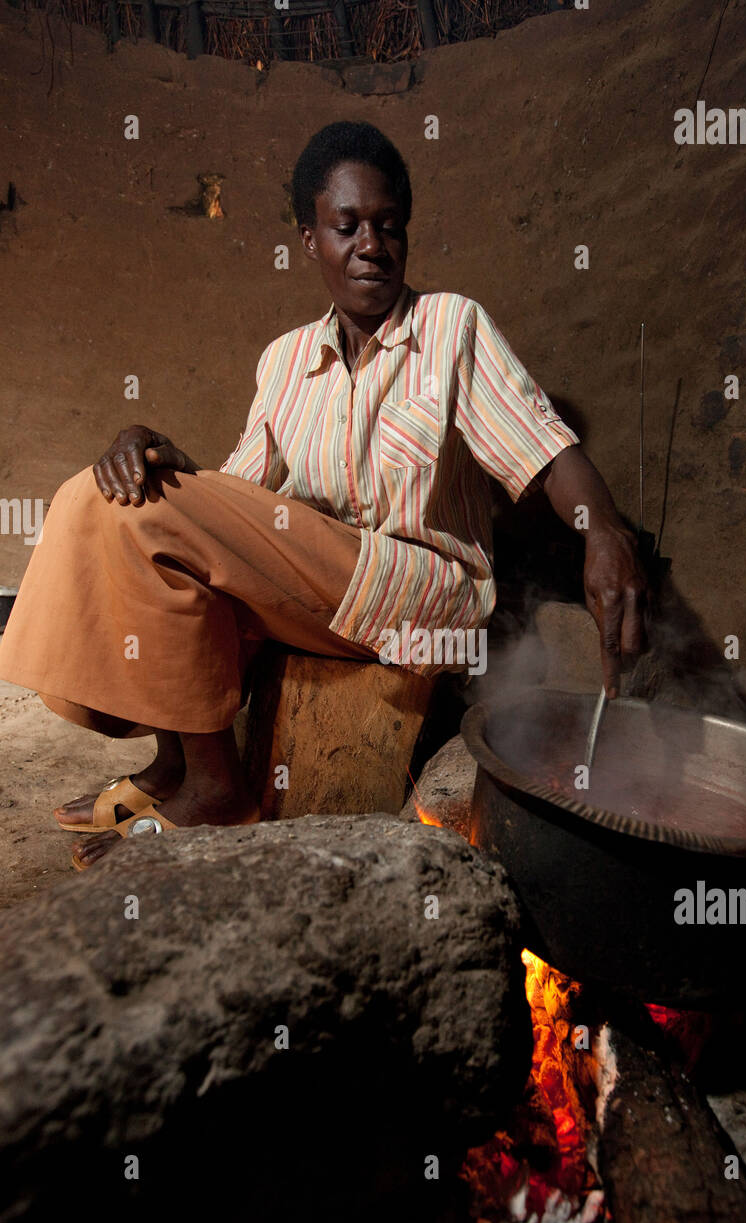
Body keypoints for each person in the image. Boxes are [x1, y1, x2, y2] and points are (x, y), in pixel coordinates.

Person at [0, 121, 648, 870]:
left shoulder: (450, 328)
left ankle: (217, 793)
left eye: (388, 226)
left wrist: (604, 530)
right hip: (320, 592)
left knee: (150, 515)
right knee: (117, 500)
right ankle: (174, 768)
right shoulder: (283, 362)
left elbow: (545, 448)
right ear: (309, 240)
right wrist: (157, 451)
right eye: (347, 227)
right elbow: (239, 501)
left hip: (420, 594)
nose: (371, 244)